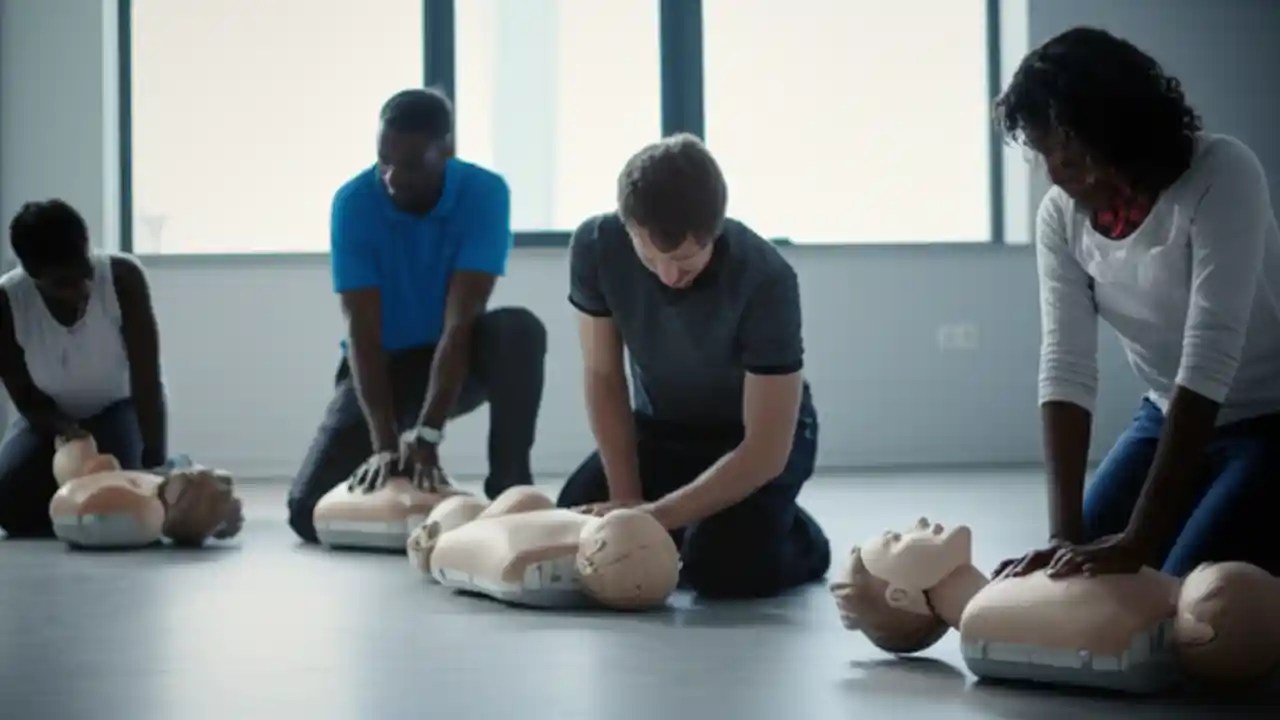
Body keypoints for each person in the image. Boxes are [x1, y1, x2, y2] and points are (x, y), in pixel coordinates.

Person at [991, 27, 1280, 581]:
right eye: (1059, 160)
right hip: (1166, 413)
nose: (1083, 176)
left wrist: (1141, 539)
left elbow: (1209, 355)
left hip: (1267, 418)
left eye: (1086, 154)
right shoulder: (1061, 215)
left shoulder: (1223, 172)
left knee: (1181, 589)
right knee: (1078, 571)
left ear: (1129, 129)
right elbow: (1066, 367)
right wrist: (1063, 534)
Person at [558, 133, 831, 598]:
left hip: (752, 440)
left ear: (714, 229)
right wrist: (627, 502)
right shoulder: (596, 246)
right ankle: (702, 511)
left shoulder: (767, 278)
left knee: (719, 570)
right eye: (649, 257)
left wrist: (656, 517)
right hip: (662, 428)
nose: (667, 275)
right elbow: (604, 376)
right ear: (628, 227)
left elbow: (765, 447)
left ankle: (792, 533)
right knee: (575, 522)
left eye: (684, 259)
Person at [287, 88, 546, 543]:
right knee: (306, 511)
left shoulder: (484, 193)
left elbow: (459, 325)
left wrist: (427, 435)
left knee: (518, 331)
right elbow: (362, 335)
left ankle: (509, 491)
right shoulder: (354, 203)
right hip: (382, 366)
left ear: (445, 150)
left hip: (458, 357)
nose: (391, 177)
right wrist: (386, 446)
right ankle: (413, 498)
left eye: (408, 164)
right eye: (383, 160)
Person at [0, 199, 168, 537]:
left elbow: (147, 381)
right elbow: (24, 395)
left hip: (117, 409)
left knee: (120, 498)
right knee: (9, 507)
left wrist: (155, 463)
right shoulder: (9, 301)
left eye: (85, 271)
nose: (82, 289)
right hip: (48, 419)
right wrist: (65, 429)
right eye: (63, 282)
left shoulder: (123, 278)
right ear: (34, 276)